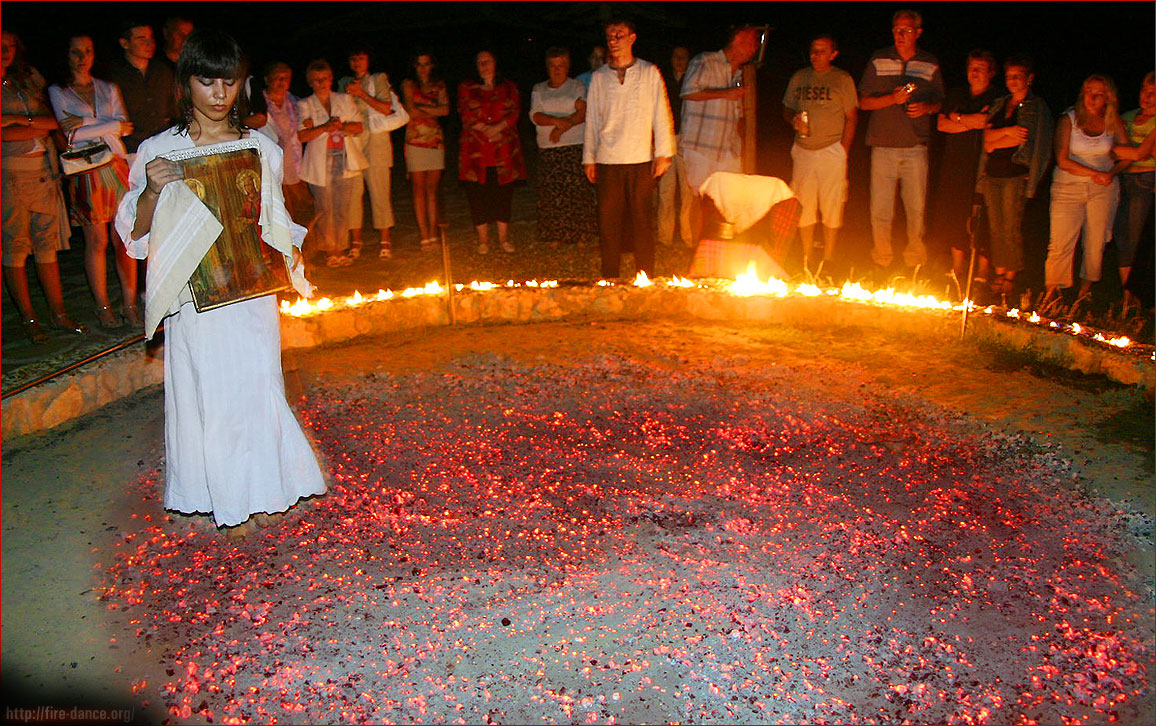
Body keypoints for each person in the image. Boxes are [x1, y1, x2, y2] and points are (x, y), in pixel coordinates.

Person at [113, 29, 325, 537]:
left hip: (251, 291)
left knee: (257, 382)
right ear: (186, 84)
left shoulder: (260, 148)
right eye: (206, 81)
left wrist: (289, 253)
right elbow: (134, 232)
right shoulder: (159, 150)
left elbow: (274, 219)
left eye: (227, 82)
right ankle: (219, 492)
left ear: (240, 84)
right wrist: (150, 192)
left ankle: (266, 485)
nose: (218, 94)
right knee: (207, 390)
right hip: (195, 296)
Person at [48, 33, 141, 329]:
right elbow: (71, 135)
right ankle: (103, 306)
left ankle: (129, 304)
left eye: (88, 50)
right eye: (76, 51)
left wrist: (88, 122)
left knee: (123, 238)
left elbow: (125, 126)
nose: (82, 57)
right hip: (86, 169)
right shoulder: (58, 90)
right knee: (97, 240)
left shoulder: (107, 87)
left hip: (116, 165)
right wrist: (108, 125)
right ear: (66, 55)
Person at [2, 29, 85, 343]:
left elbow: (54, 122)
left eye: (10, 45)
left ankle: (58, 312)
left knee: (46, 246)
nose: (5, 51)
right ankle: (29, 318)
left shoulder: (29, 78)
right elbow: (4, 135)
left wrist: (16, 120)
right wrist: (30, 122)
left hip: (44, 174)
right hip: (10, 178)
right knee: (15, 249)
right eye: (0, 46)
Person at [583, 19, 675, 279]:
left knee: (642, 221)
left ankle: (645, 275)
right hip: (608, 158)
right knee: (609, 222)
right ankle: (610, 276)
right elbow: (592, 118)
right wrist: (589, 157)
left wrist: (663, 152)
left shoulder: (648, 72)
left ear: (632, 38)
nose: (613, 40)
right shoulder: (600, 77)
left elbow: (661, 112)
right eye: (610, 35)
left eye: (619, 35)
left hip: (639, 158)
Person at [858, 9, 945, 274]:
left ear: (918, 32)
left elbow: (940, 101)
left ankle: (915, 263)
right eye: (896, 29)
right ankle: (881, 260)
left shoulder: (929, 63)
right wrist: (891, 99)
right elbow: (863, 101)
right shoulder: (879, 58)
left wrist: (926, 108)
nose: (900, 35)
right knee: (880, 209)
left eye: (906, 30)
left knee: (916, 208)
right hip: (883, 145)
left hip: (915, 147)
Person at [1044, 74, 1129, 303]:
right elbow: (1062, 159)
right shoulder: (1069, 119)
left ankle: (1085, 290)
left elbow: (1128, 154)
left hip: (1103, 189)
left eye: (1099, 93)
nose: (1092, 97)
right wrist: (1094, 173)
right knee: (1060, 240)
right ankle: (1053, 290)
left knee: (1096, 240)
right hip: (1068, 186)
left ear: (1107, 98)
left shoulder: (1114, 122)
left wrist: (1112, 173)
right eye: (1089, 91)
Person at [977, 56, 1053, 303]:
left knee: (1011, 226)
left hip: (1015, 173)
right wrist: (1007, 131)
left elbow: (1024, 139)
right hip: (993, 172)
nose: (1013, 80)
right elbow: (986, 141)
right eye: (1010, 76)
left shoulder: (1034, 106)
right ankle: (998, 274)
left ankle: (1010, 277)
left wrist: (1002, 137)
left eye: (1018, 76)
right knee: (996, 226)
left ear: (1029, 79)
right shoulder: (1001, 103)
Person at [782, 33, 858, 271]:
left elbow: (852, 117)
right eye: (814, 50)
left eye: (822, 51)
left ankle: (829, 259)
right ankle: (807, 258)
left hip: (831, 149)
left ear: (833, 54)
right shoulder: (800, 77)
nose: (816, 55)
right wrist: (792, 120)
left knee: (832, 205)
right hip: (804, 149)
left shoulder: (842, 79)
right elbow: (787, 107)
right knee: (803, 203)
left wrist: (843, 149)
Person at [931, 49, 999, 298]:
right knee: (954, 213)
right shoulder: (958, 93)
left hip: (982, 166)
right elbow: (941, 124)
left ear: (990, 72)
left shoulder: (996, 96)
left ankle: (981, 276)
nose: (975, 72)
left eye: (980, 68)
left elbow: (985, 122)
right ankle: (956, 271)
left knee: (981, 217)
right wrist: (967, 119)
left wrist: (957, 118)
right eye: (972, 67)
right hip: (955, 164)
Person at [338, 47, 408, 260]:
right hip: (353, 140)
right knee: (353, 192)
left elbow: (387, 108)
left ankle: (385, 240)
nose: (357, 62)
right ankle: (356, 242)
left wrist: (362, 94)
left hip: (376, 138)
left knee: (379, 190)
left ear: (368, 60)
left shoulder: (378, 79)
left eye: (361, 58)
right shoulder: (344, 82)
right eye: (353, 58)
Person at [297, 59, 366, 268]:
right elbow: (302, 135)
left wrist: (341, 126)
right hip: (320, 162)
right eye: (317, 80)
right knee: (325, 207)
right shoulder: (305, 104)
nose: (322, 83)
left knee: (342, 207)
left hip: (344, 158)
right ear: (310, 82)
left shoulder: (344, 100)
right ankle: (329, 250)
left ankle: (341, 248)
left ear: (331, 79)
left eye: (325, 79)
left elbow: (359, 127)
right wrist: (326, 127)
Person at [457, 49, 526, 254]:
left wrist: (498, 128)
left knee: (503, 195)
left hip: (503, 150)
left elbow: (515, 112)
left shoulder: (509, 87)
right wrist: (486, 130)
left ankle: (504, 239)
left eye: (487, 61)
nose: (484, 65)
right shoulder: (466, 87)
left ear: (496, 63)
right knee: (478, 196)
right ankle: (483, 241)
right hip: (476, 150)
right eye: (480, 62)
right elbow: (465, 113)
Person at [680, 25, 760, 192]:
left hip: (728, 150)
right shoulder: (705, 61)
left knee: (731, 203)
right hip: (701, 148)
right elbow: (688, 92)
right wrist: (725, 93)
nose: (756, 47)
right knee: (704, 203)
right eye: (753, 42)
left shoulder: (740, 74)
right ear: (738, 39)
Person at [530, 46, 594, 246]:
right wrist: (559, 123)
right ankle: (555, 235)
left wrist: (564, 127)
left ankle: (580, 234)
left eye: (561, 65)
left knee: (576, 192)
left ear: (567, 66)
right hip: (548, 148)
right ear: (547, 67)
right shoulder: (539, 89)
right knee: (552, 192)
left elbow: (583, 112)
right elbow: (536, 115)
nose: (557, 70)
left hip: (573, 145)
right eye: (553, 66)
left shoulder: (576, 86)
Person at [105, 20, 176, 158]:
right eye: (141, 39)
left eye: (151, 38)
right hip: (133, 148)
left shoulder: (162, 70)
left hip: (165, 143)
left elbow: (173, 107)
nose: (149, 44)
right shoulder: (114, 76)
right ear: (125, 43)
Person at [401, 51, 448, 249]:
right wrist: (432, 108)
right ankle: (424, 235)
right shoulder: (408, 84)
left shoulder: (439, 85)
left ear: (432, 65)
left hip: (435, 141)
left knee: (432, 190)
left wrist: (423, 109)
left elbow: (445, 110)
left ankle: (433, 232)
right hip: (415, 141)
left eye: (426, 64)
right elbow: (411, 111)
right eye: (419, 64)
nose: (423, 68)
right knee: (418, 189)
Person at [1112, 71, 1154, 291]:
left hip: (1145, 181)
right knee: (1121, 234)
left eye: (1152, 93)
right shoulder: (1127, 118)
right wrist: (1131, 152)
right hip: (1121, 179)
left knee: (1137, 236)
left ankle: (1140, 290)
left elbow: (1143, 154)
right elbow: (1114, 150)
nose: (1146, 97)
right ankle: (1127, 292)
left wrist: (1129, 152)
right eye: (1143, 91)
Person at [258, 61, 310, 226]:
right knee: (278, 211)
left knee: (301, 211)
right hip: (268, 164)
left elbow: (304, 129)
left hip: (293, 164)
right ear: (267, 79)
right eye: (277, 78)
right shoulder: (257, 102)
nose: (281, 82)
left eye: (286, 78)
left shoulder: (296, 102)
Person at [656, 45, 694, 248]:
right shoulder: (663, 81)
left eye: (683, 57)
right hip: (667, 138)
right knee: (666, 190)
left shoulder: (693, 81)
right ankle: (664, 237)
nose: (679, 60)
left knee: (688, 192)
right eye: (676, 56)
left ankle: (688, 237)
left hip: (688, 139)